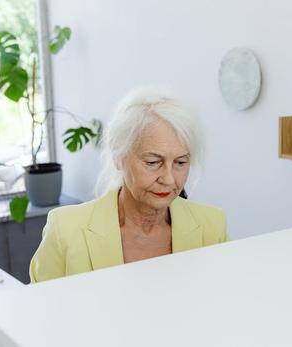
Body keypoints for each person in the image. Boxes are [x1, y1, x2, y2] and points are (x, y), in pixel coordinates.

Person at [29, 89, 229, 283]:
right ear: (119, 157)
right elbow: (39, 311)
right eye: (152, 162)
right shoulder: (66, 230)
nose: (168, 178)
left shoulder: (212, 226)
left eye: (180, 162)